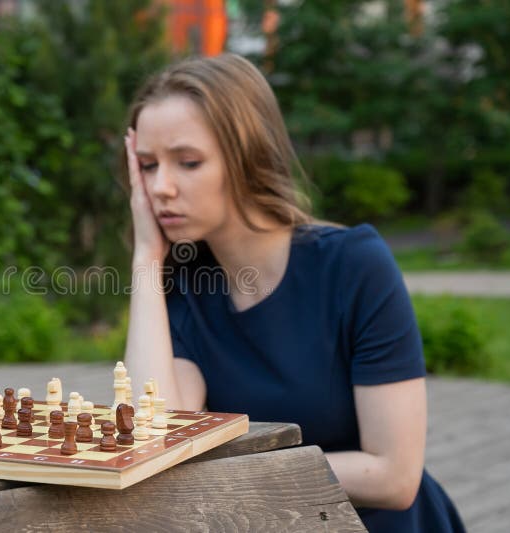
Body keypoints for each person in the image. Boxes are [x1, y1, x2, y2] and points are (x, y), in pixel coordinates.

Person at [121, 53, 465, 533]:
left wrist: (225, 468)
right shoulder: (184, 288)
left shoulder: (353, 265)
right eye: (148, 166)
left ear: (247, 157)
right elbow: (155, 440)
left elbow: (395, 476)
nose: (161, 187)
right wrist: (145, 257)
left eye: (188, 162)